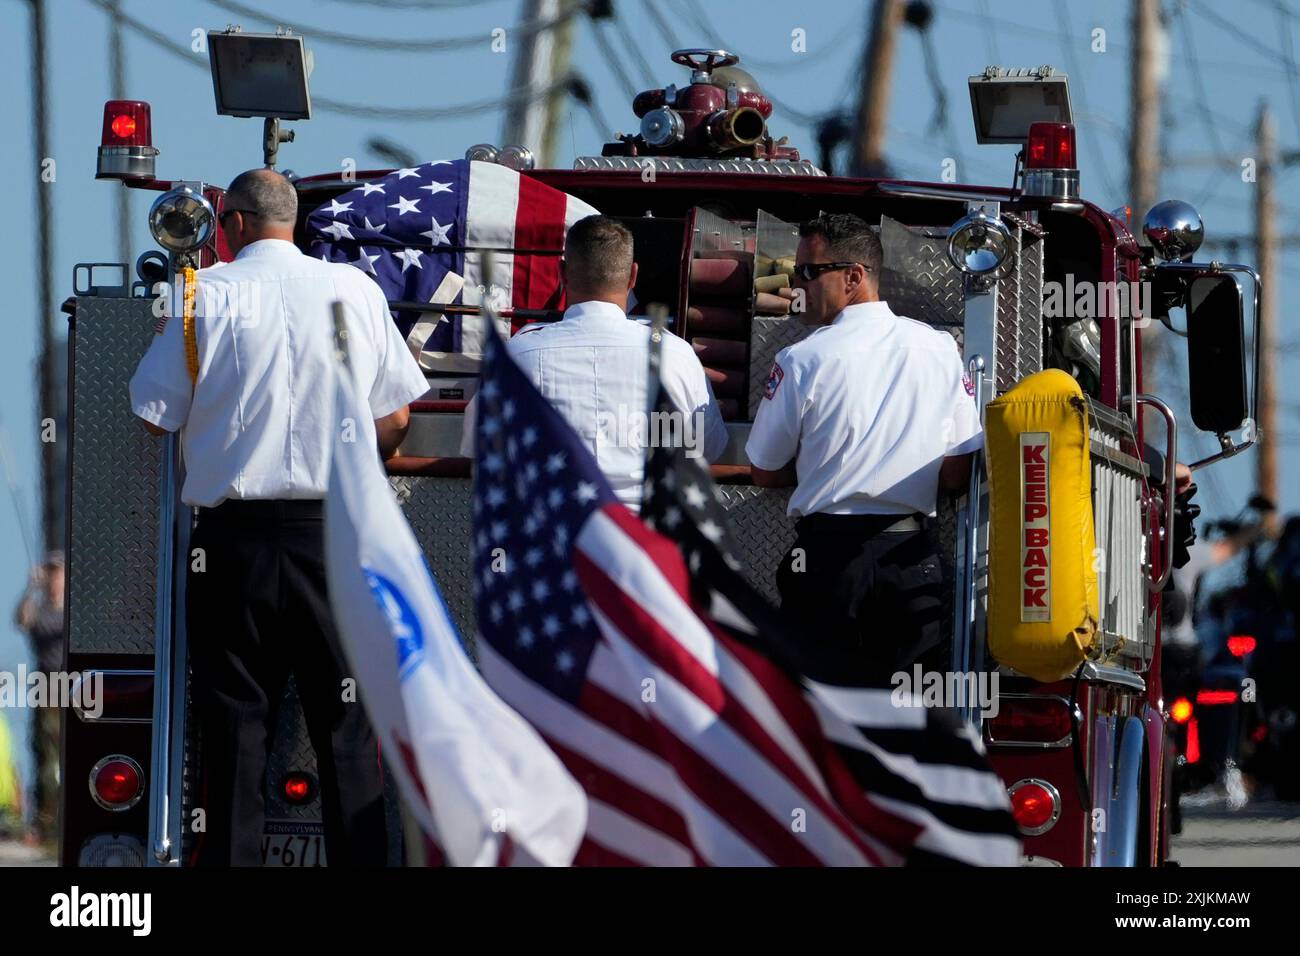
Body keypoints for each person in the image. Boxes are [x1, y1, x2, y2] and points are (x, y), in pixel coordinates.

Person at [128, 169, 429, 866]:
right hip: (339, 541)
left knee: (236, 734)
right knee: (351, 733)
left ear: (229, 225)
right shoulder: (355, 290)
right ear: (293, 221)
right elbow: (397, 417)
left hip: (235, 547)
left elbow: (154, 416)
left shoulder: (200, 293)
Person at [746, 212, 981, 684]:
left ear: (854, 276)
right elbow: (957, 471)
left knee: (816, 719)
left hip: (826, 561)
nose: (798, 284)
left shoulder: (801, 359)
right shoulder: (939, 350)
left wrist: (823, 467)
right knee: (907, 723)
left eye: (809, 272)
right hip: (911, 560)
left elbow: (765, 469)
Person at [461, 215, 727, 509]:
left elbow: (481, 448)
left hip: (554, 535)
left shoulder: (514, 356)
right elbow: (708, 449)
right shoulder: (676, 354)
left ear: (562, 272)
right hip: (650, 540)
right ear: (632, 276)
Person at [13, 551, 64, 843]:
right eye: (50, 572)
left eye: (57, 572)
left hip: (70, 686)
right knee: (44, 754)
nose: (53, 578)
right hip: (44, 687)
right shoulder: (40, 609)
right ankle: (45, 820)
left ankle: (58, 818)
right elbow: (20, 619)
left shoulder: (71, 611)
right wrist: (30, 586)